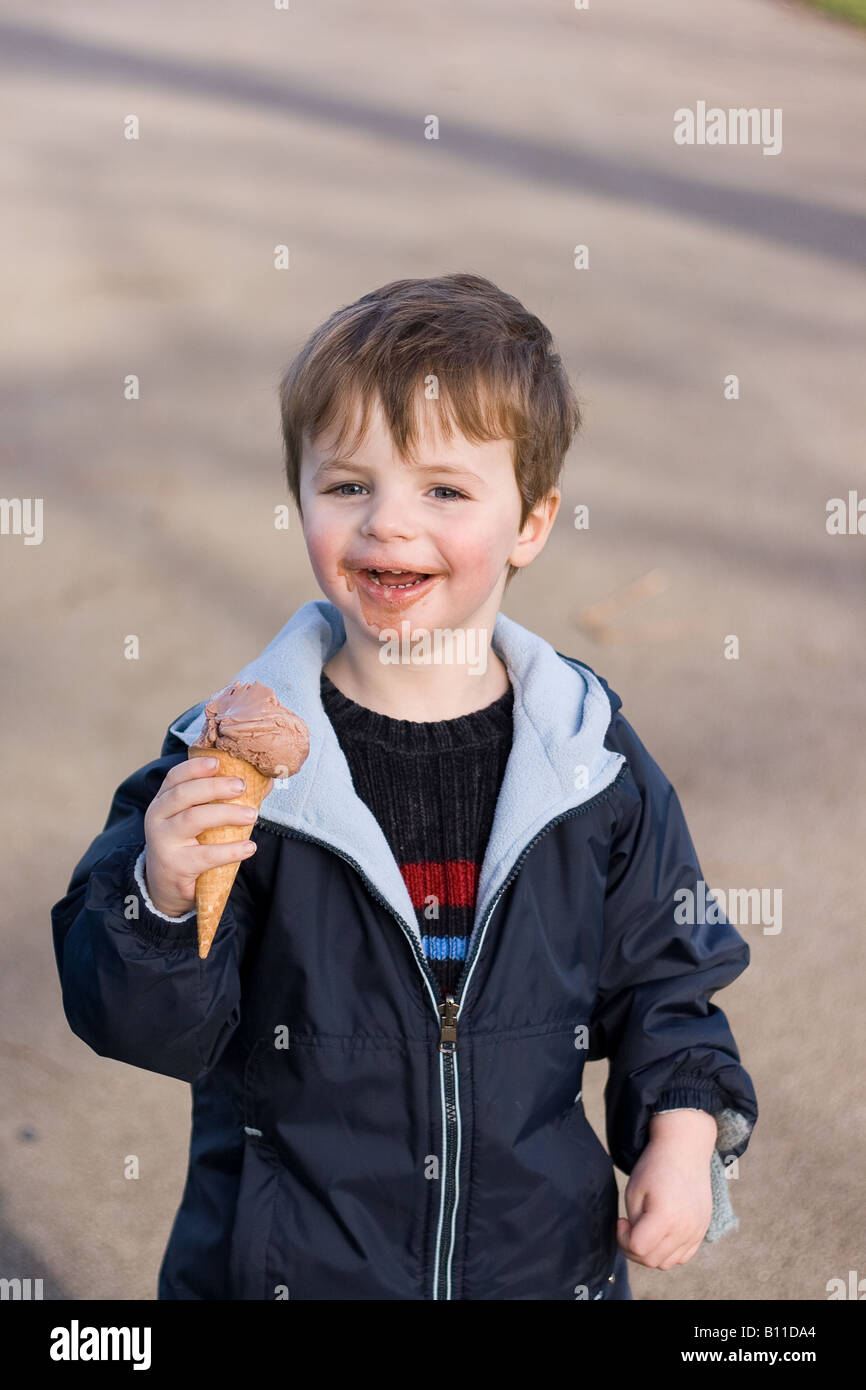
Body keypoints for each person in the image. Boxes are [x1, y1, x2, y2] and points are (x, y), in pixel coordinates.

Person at [51, 272, 757, 1301]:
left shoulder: (586, 761)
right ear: (297, 495)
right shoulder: (221, 770)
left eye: (442, 489)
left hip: (535, 1262)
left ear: (530, 522)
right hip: (288, 1268)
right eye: (346, 485)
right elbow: (146, 1029)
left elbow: (664, 980)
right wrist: (157, 895)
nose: (387, 523)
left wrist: (684, 1135)